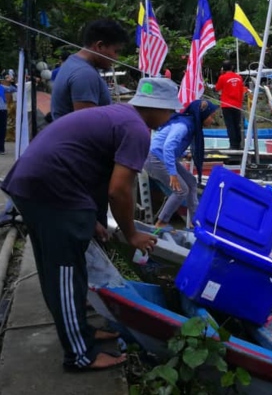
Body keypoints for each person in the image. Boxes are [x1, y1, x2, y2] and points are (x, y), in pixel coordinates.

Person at [0, 77, 182, 372]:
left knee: (59, 265)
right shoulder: (137, 130)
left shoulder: (118, 115)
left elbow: (91, 167)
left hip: (39, 185)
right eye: (170, 111)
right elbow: (119, 190)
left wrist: (92, 219)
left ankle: (80, 331)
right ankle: (79, 355)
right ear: (157, 108)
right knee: (65, 270)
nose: (171, 117)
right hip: (52, 190)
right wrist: (131, 234)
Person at [145, 99, 219, 229]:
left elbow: (171, 146)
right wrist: (172, 173)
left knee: (191, 182)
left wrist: (184, 155)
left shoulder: (190, 124)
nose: (212, 120)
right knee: (181, 190)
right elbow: (168, 146)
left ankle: (194, 221)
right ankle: (161, 223)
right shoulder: (183, 126)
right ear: (202, 115)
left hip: (164, 156)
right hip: (155, 158)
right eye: (211, 116)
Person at [50, 19, 128, 120]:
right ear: (99, 46)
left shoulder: (73, 62)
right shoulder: (84, 74)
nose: (116, 58)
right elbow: (88, 126)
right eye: (116, 51)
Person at [215, 60, 249, 150]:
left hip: (227, 105)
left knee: (230, 126)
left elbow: (217, 88)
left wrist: (221, 74)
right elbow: (242, 90)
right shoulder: (239, 77)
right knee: (238, 125)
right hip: (237, 105)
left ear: (223, 69)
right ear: (232, 67)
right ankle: (240, 143)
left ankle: (233, 145)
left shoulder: (222, 77)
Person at [0, 71, 16, 154]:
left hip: (2, 109)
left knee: (2, 129)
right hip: (3, 109)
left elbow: (14, 89)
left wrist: (11, 81)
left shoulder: (3, 87)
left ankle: (1, 148)